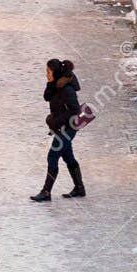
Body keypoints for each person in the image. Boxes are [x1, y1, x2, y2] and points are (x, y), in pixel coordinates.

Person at [31, 58, 86, 201]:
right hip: (61, 127)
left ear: (55, 72)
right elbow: (46, 97)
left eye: (48, 72)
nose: (46, 74)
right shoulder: (56, 85)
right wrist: (50, 83)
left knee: (52, 156)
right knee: (68, 157)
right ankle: (79, 188)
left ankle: (46, 192)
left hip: (68, 129)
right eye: (46, 72)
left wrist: (56, 120)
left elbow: (75, 110)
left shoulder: (67, 89)